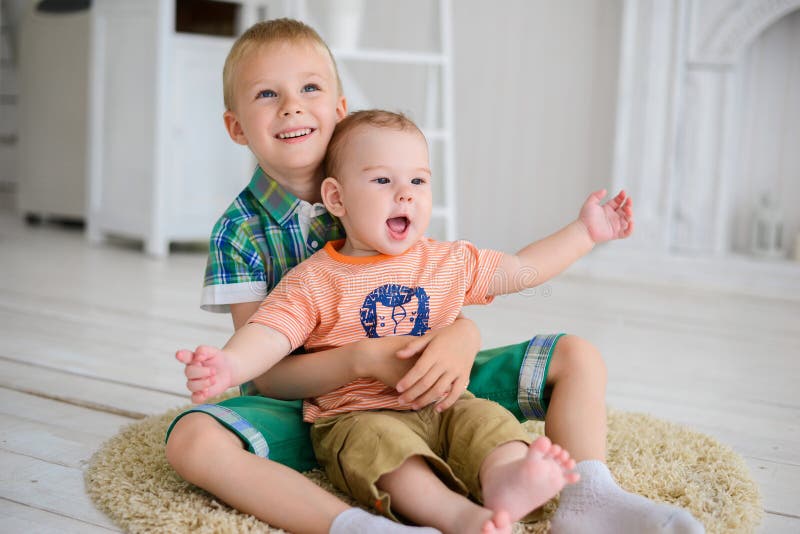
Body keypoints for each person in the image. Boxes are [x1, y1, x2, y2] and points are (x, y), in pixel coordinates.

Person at [165, 19, 704, 534]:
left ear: (338, 106)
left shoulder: (384, 184)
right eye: (267, 94)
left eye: (309, 88)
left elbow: (500, 274)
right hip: (325, 410)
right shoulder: (245, 235)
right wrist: (330, 361)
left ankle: (588, 499)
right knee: (192, 439)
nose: (292, 107)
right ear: (236, 126)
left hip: (431, 384)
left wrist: (465, 332)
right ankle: (356, 524)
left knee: (576, 356)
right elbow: (268, 372)